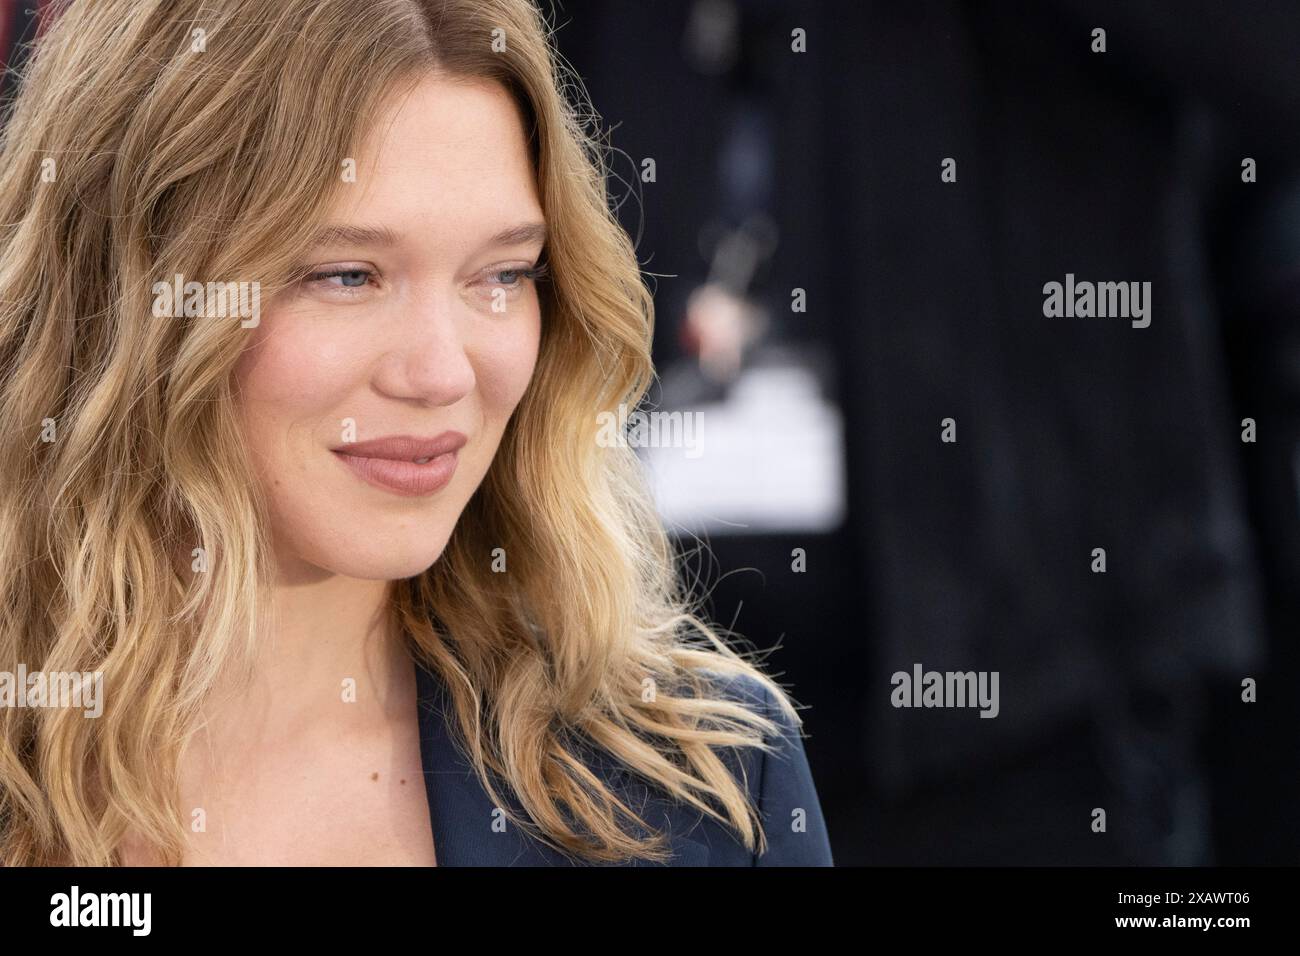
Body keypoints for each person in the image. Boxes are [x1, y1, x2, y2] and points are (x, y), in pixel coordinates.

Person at [0, 0, 832, 867]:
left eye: (503, 273)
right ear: (130, 292)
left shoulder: (706, 789)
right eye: (347, 275)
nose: (444, 374)